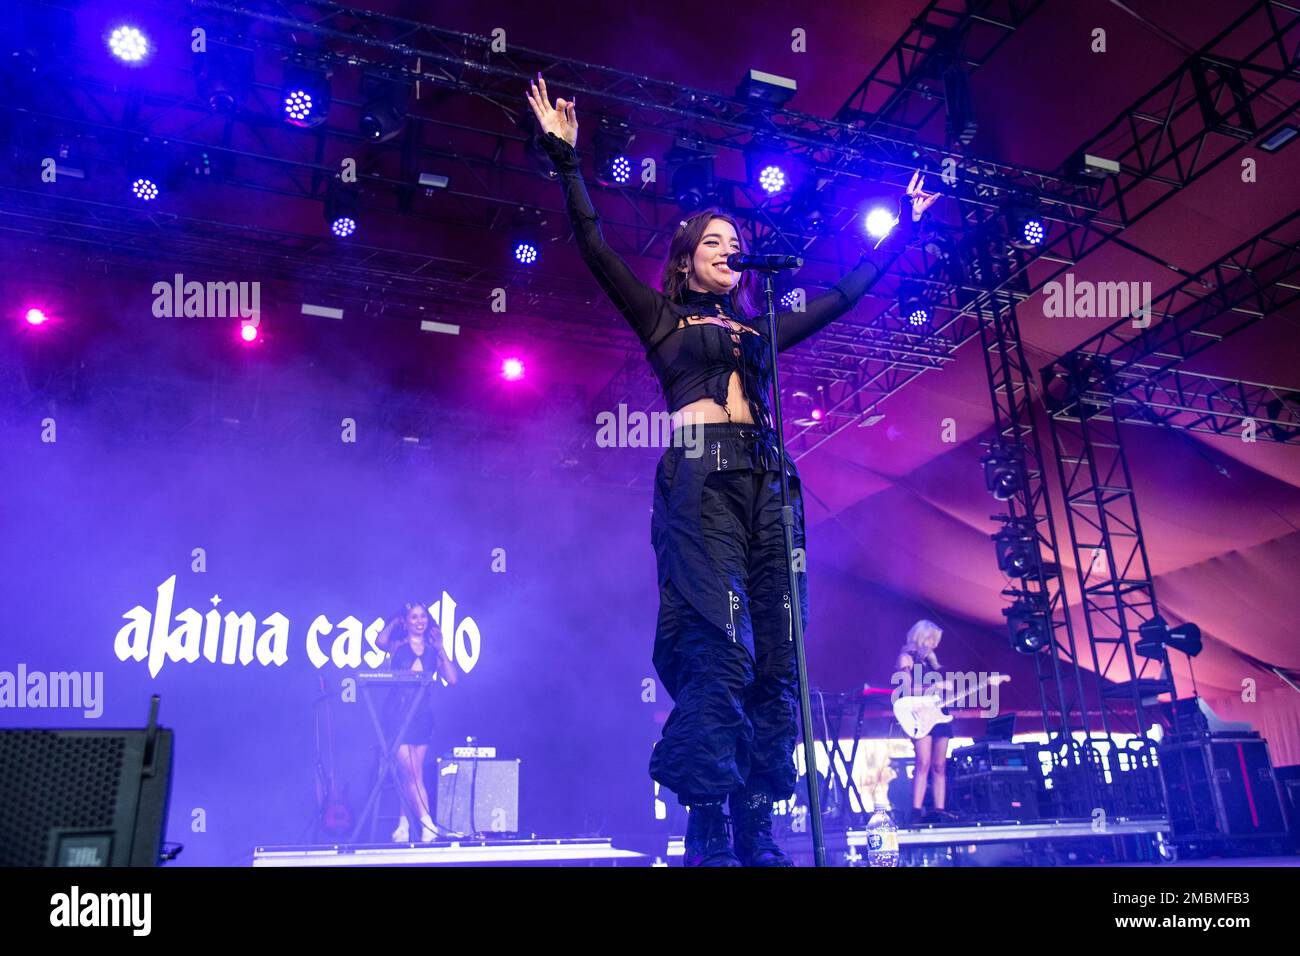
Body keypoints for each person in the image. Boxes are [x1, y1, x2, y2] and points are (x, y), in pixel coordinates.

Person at [526, 74, 938, 866]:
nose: (728, 253)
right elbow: (593, 246)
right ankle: (708, 819)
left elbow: (847, 294)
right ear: (686, 262)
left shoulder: (760, 329)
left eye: (732, 245)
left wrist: (905, 231)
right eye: (712, 243)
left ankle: (757, 820)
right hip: (699, 476)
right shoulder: (661, 317)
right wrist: (566, 159)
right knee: (722, 646)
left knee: (780, 652)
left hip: (767, 482)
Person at [380, 602, 458, 843]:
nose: (419, 621)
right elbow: (380, 641)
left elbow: (453, 679)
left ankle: (403, 826)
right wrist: (396, 620)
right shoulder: (397, 645)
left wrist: (442, 648)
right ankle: (428, 826)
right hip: (397, 717)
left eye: (422, 616)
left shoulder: (433, 651)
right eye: (413, 617)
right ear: (407, 621)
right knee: (413, 775)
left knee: (411, 775)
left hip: (422, 718)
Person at [894, 619, 957, 824]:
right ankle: (916, 810)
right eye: (931, 639)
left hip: (938, 713)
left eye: (936, 641)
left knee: (940, 765)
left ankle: (939, 810)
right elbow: (904, 689)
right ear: (920, 636)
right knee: (923, 762)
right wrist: (934, 687)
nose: (934, 645)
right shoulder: (906, 658)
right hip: (920, 715)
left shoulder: (931, 662)